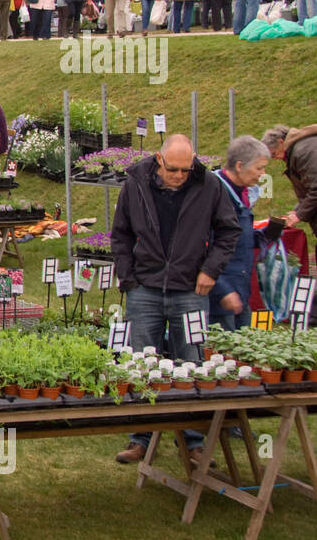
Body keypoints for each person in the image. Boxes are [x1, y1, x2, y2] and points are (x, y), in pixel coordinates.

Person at [111, 135, 240, 466]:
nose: (180, 176)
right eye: (173, 169)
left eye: (186, 169)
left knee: (191, 362)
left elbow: (228, 231)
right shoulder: (136, 183)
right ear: (159, 160)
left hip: (189, 292)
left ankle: (193, 441)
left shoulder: (209, 185)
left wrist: (210, 270)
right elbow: (121, 234)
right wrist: (129, 279)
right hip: (145, 290)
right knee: (141, 364)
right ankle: (141, 437)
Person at [209, 136, 270, 331]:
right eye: (259, 168)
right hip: (220, 298)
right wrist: (224, 291)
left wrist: (264, 235)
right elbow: (201, 249)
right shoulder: (214, 196)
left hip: (239, 292)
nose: (262, 174)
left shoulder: (242, 192)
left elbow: (236, 238)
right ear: (239, 165)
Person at [262, 123, 317, 237]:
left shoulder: (302, 153)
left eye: (273, 154)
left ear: (281, 142)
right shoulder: (302, 147)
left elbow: (315, 189)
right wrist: (298, 209)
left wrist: (299, 215)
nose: (275, 158)